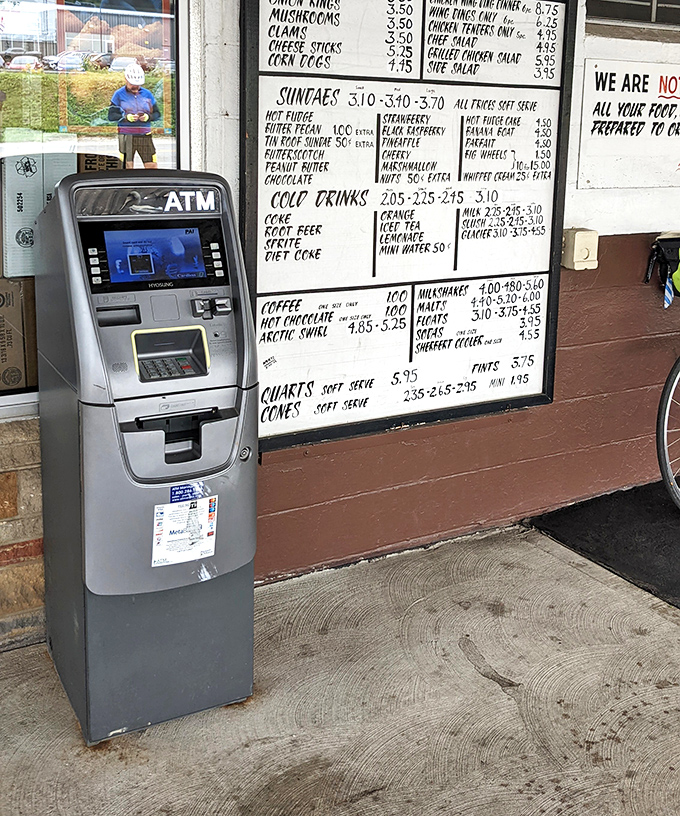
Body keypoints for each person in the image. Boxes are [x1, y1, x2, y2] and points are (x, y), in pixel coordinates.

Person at [108, 62, 160, 169]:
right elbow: (111, 115)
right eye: (132, 85)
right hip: (126, 135)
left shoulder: (147, 94)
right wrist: (126, 117)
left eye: (138, 85)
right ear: (126, 79)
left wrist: (147, 117)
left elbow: (157, 114)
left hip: (145, 135)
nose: (135, 88)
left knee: (152, 167)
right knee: (127, 167)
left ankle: (151, 185)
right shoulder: (118, 94)